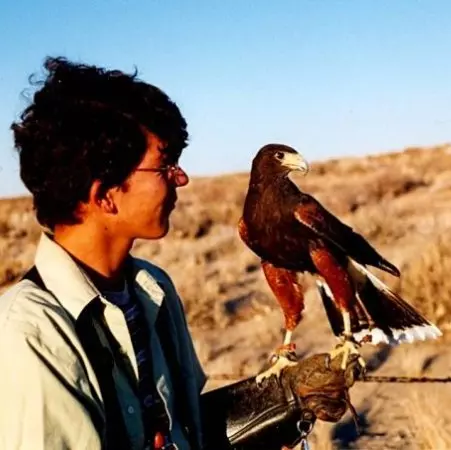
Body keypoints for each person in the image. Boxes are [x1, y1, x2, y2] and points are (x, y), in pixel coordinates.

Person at [0, 57, 361, 450]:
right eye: (165, 165)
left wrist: (281, 403)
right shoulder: (30, 335)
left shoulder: (152, 289)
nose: (183, 177)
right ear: (104, 193)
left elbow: (186, 431)